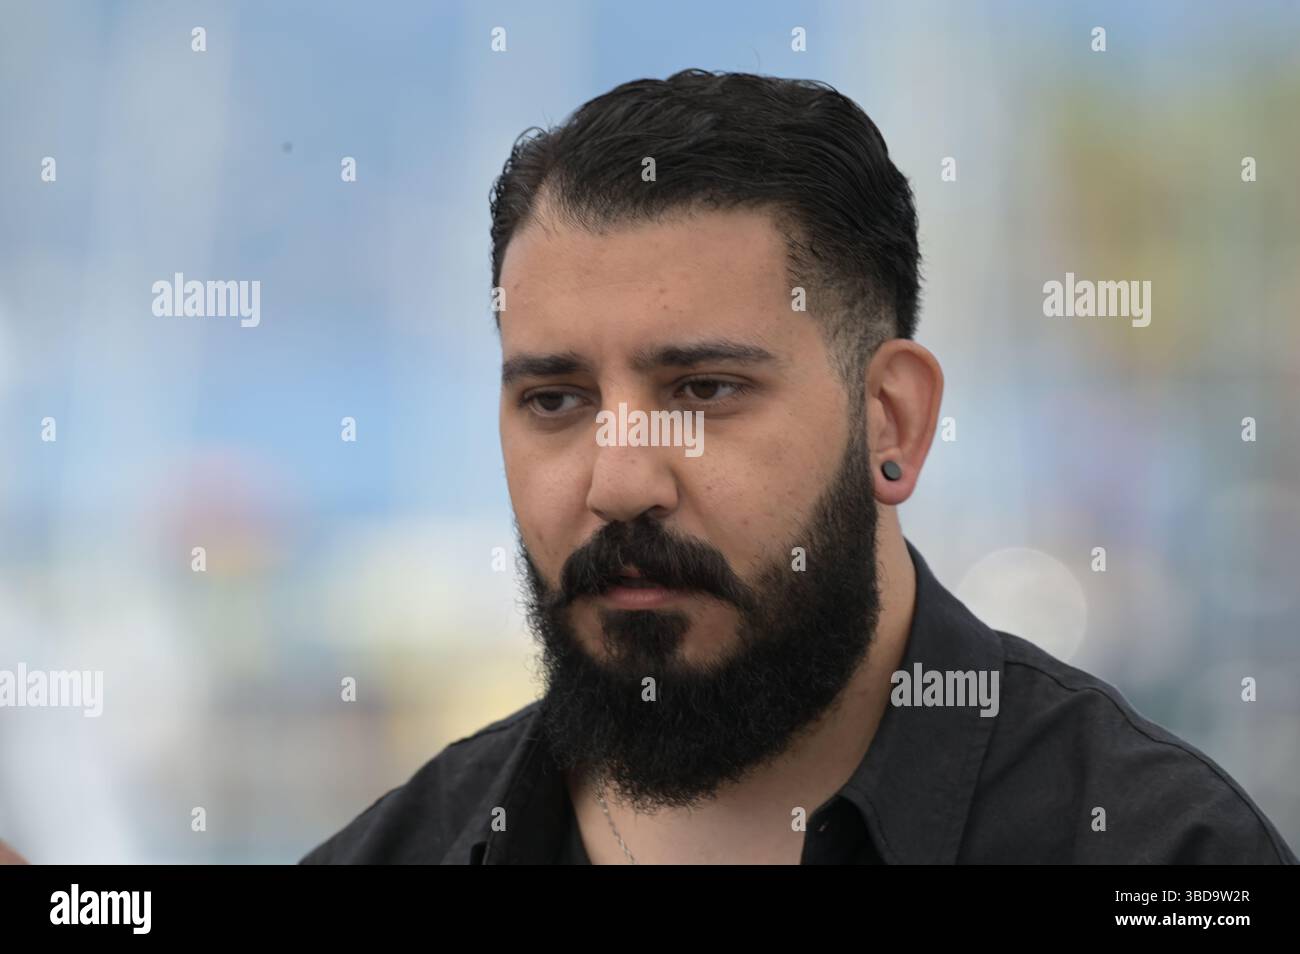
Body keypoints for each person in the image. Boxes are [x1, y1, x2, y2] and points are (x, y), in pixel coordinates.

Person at [301, 69, 1296, 865]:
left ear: (891, 420)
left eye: (702, 391)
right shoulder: (400, 849)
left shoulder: (1162, 853)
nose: (619, 482)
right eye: (555, 401)